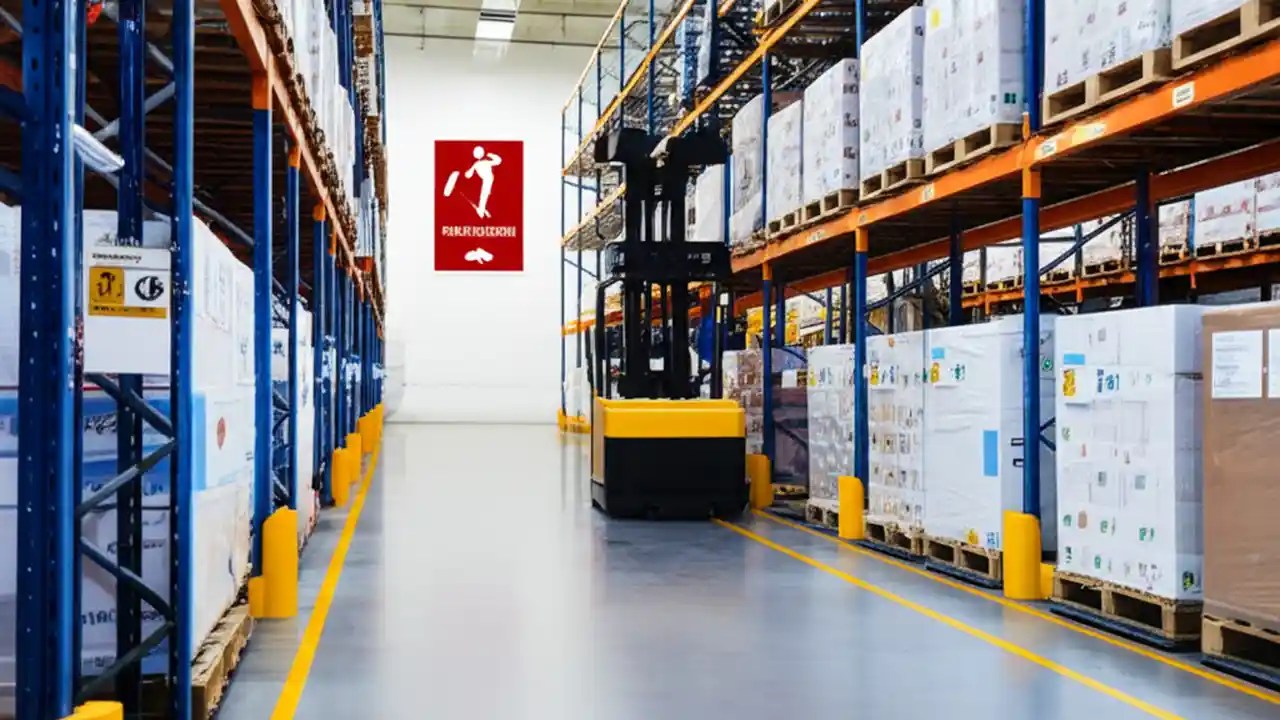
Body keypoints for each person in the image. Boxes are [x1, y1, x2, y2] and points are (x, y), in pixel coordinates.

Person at [464, 145, 502, 219]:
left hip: (488, 179)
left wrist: (490, 155)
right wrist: (490, 155)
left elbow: (468, 175)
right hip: (487, 179)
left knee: (484, 194)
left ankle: (481, 211)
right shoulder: (479, 163)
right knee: (484, 194)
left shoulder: (482, 163)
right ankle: (483, 209)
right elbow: (498, 161)